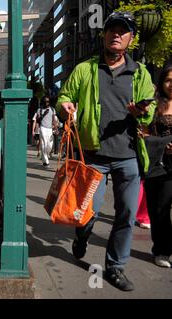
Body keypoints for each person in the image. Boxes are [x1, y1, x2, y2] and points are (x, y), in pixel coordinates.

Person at [56, 11, 156, 291]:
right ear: (104, 34)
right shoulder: (85, 69)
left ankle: (115, 267)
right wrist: (64, 106)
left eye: (122, 31)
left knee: (126, 214)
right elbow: (64, 96)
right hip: (93, 157)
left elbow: (149, 117)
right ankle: (81, 236)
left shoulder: (141, 73)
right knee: (88, 213)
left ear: (131, 38)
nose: (116, 34)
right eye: (111, 29)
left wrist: (142, 113)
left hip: (128, 157)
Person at [143, 64, 172, 268]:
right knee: (159, 209)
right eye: (168, 80)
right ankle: (161, 250)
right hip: (158, 164)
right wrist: (160, 143)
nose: (171, 84)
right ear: (162, 82)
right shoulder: (155, 105)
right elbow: (143, 132)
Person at [33, 96, 57, 167]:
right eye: (45, 101)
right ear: (43, 102)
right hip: (42, 128)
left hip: (50, 129)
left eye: (48, 101)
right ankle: (46, 162)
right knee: (44, 144)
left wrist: (56, 128)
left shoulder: (52, 109)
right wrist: (35, 130)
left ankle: (45, 156)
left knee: (49, 145)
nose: (47, 103)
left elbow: (54, 120)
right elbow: (37, 120)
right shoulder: (39, 110)